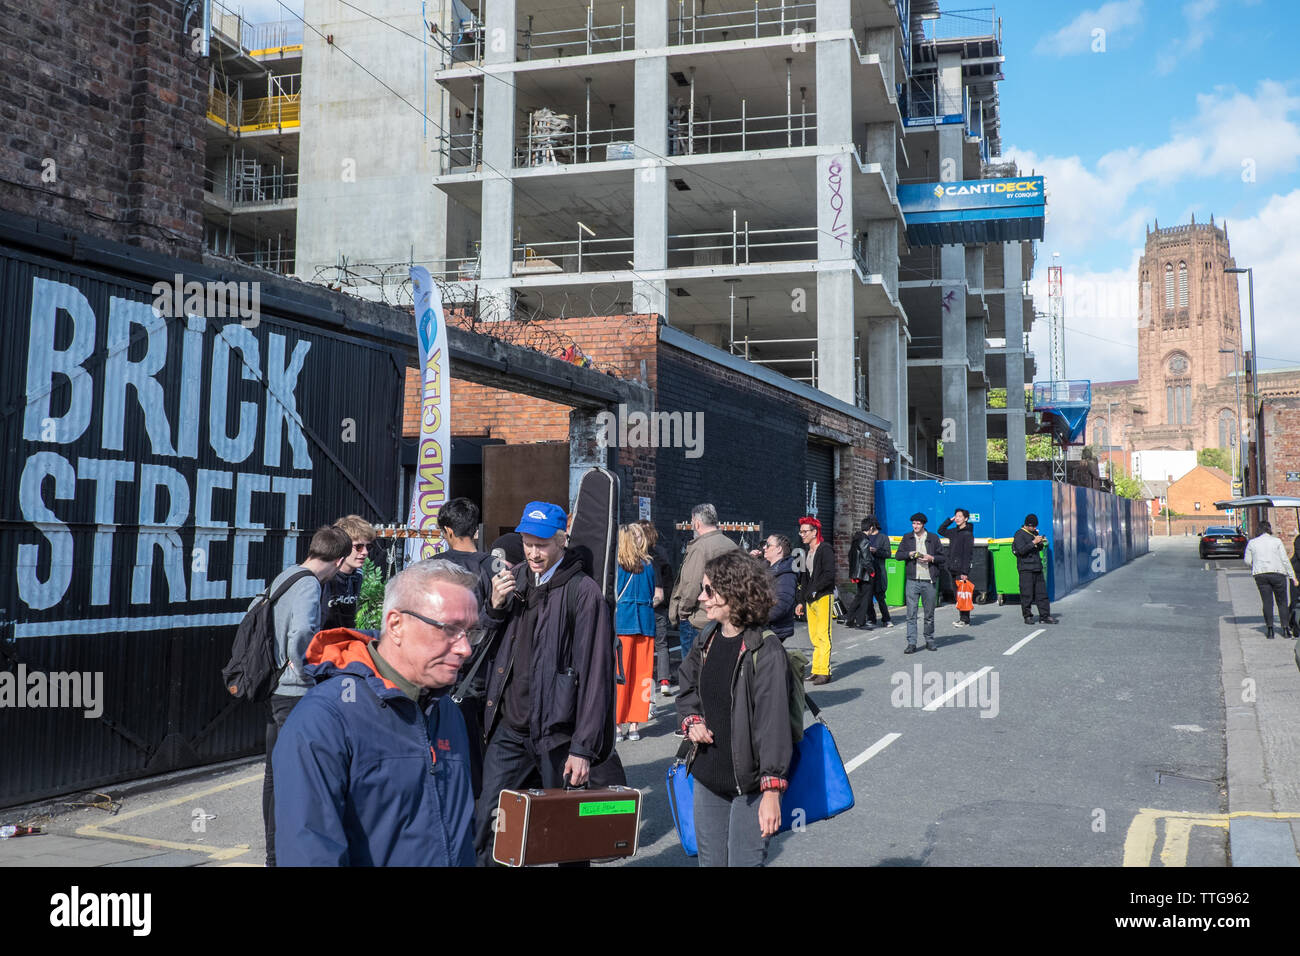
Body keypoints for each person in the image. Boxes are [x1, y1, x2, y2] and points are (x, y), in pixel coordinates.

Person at [272, 560, 478, 866]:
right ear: (396, 625)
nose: (465, 649)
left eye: (471, 632)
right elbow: (309, 852)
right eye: (449, 629)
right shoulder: (324, 719)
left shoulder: (446, 710)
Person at [473, 501, 616, 865]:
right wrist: (493, 606)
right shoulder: (514, 579)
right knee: (491, 826)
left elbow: (596, 674)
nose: (534, 552)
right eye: (527, 542)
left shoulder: (584, 592)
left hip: (560, 734)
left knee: (567, 839)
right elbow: (482, 646)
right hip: (511, 728)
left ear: (561, 541)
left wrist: (583, 748)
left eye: (542, 544)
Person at [675, 551, 793, 867]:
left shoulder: (765, 649)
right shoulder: (708, 637)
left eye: (709, 590)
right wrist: (691, 719)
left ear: (734, 592)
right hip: (707, 779)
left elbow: (774, 727)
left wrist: (771, 792)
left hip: (750, 787)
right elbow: (686, 686)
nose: (702, 598)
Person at [261, 524, 353, 867]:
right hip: (294, 692)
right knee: (295, 778)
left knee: (274, 773)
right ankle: (283, 855)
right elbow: (301, 631)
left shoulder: (286, 575)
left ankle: (273, 855)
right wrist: (307, 670)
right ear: (337, 559)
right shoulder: (310, 585)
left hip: (274, 689)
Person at [669, 503, 738, 662]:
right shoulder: (731, 544)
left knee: (693, 671)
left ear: (697, 522)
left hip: (699, 617)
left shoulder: (700, 547)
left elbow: (691, 584)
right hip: (726, 615)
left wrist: (683, 613)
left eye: (692, 521)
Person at [614, 523, 657, 741]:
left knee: (641, 678)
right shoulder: (629, 564)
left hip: (634, 622)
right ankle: (622, 723)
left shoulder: (644, 564)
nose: (641, 539)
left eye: (641, 535)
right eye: (636, 536)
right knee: (623, 676)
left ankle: (631, 723)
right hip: (631, 623)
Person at [895, 513, 945, 653]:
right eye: (913, 524)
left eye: (917, 524)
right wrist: (909, 554)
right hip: (912, 580)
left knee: (929, 613)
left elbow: (942, 558)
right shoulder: (907, 537)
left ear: (923, 524)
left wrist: (931, 558)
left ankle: (929, 640)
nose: (915, 526)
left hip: (929, 581)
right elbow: (898, 555)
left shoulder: (933, 538)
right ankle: (911, 643)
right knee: (911, 614)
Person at [795, 515, 835, 684]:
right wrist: (800, 601)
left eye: (805, 531)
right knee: (813, 636)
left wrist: (815, 590)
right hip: (810, 599)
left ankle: (824, 672)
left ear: (814, 532)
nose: (802, 534)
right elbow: (803, 579)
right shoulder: (805, 552)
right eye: (801, 531)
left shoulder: (825, 549)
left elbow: (829, 575)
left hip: (823, 596)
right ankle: (816, 670)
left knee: (823, 635)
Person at [320, 515, 378, 631]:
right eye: (359, 547)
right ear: (343, 546)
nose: (365, 552)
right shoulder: (323, 577)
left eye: (368, 546)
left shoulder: (358, 575)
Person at [1243, 521, 1298, 639]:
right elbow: (1284, 560)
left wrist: (1256, 565)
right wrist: (1292, 576)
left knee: (1267, 602)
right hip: (1277, 573)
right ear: (1269, 529)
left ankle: (1270, 630)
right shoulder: (1276, 541)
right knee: (1282, 601)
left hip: (1261, 574)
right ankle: (1285, 629)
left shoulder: (1252, 543)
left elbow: (1247, 561)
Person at [437, 497, 495, 605]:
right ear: (475, 528)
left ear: (449, 531)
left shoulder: (432, 566)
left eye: (442, 532)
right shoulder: (494, 566)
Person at [640, 519, 675, 696]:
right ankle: (665, 680)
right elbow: (669, 579)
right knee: (662, 645)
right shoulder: (662, 553)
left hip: (642, 605)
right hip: (660, 605)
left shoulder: (636, 557)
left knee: (644, 646)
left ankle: (646, 683)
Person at [1012, 514, 1056, 625]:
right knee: (1026, 594)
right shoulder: (1019, 534)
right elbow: (1021, 551)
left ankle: (1045, 616)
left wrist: (1040, 542)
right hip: (1025, 568)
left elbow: (1039, 548)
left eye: (1035, 527)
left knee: (1042, 594)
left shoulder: (1034, 533)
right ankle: (1027, 616)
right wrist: (1033, 542)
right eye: (1033, 527)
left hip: (1037, 567)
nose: (1034, 528)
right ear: (1027, 525)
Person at [755, 533, 798, 642]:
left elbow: (782, 604)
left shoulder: (786, 573)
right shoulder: (766, 567)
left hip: (772, 629)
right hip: (764, 627)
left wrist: (756, 618)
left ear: (779, 549)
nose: (764, 548)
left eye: (768, 545)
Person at [938, 508, 975, 627]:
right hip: (952, 567)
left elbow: (967, 554)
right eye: (956, 516)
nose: (957, 518)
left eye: (960, 516)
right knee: (958, 595)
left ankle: (965, 620)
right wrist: (950, 520)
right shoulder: (954, 531)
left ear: (966, 519)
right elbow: (941, 530)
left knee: (962, 594)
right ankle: (962, 618)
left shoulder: (968, 534)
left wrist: (965, 571)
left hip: (961, 569)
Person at [844, 519, 875, 629]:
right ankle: (860, 621)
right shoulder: (865, 540)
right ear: (870, 528)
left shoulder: (856, 538)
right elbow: (866, 559)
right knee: (865, 598)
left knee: (859, 596)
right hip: (865, 574)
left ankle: (850, 619)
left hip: (857, 573)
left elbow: (850, 555)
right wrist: (872, 571)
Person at [863, 517, 893, 628]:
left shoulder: (883, 538)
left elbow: (888, 553)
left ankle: (887, 619)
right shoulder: (865, 537)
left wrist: (876, 551)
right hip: (868, 572)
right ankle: (871, 618)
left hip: (879, 572)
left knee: (880, 597)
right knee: (868, 597)